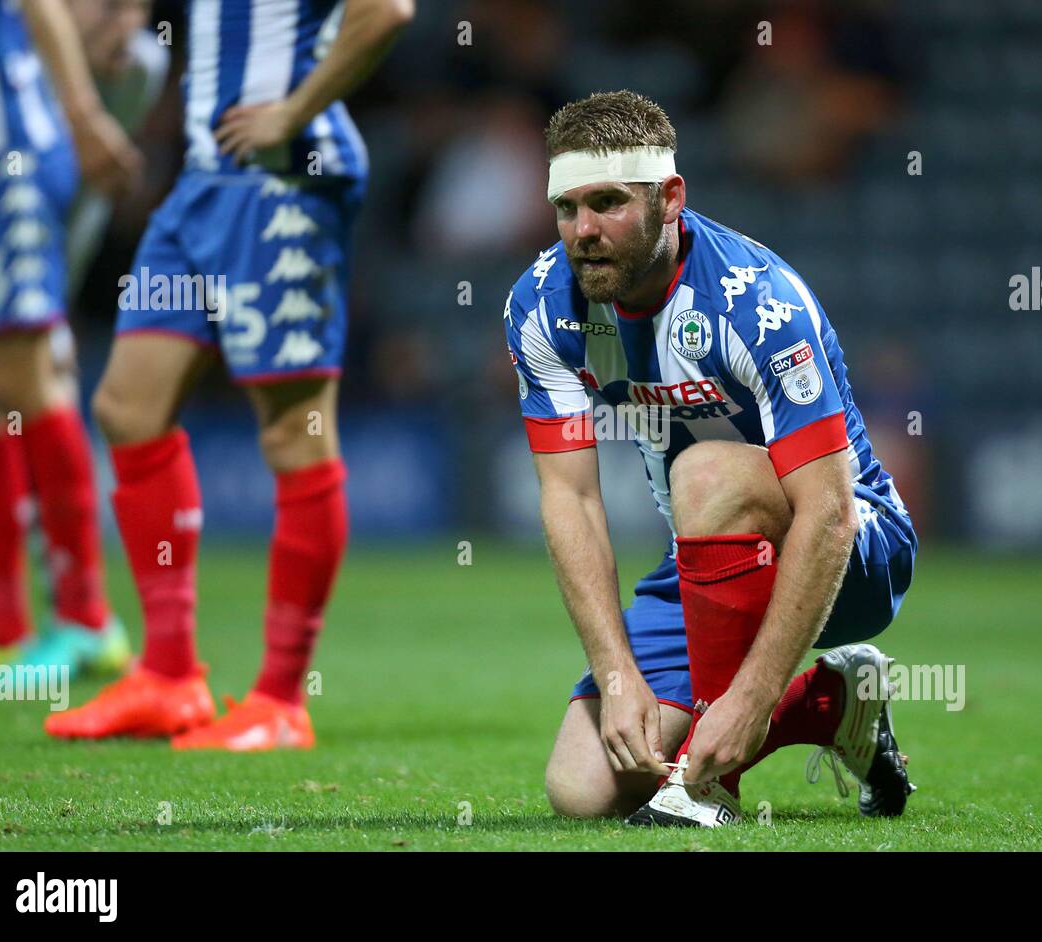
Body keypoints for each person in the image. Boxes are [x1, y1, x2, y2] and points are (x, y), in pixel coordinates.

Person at [505, 90, 917, 827]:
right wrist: (615, 672)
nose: (584, 231)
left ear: (669, 197)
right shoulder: (542, 308)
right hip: (709, 560)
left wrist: (752, 698)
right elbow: (570, 497)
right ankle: (834, 702)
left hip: (855, 543)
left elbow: (830, 508)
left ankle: (704, 789)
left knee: (705, 470)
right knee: (585, 786)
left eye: (607, 202)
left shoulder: (758, 302)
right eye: (567, 208)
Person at [45, 0, 417, 750]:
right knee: (127, 407)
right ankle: (169, 676)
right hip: (202, 183)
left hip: (286, 180)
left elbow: (388, 11)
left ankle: (281, 698)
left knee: (294, 429)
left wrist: (293, 112)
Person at [0, 0, 142, 679]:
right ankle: (4, 628)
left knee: (29, 380)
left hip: (4, 155)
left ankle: (86, 619)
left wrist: (82, 112)